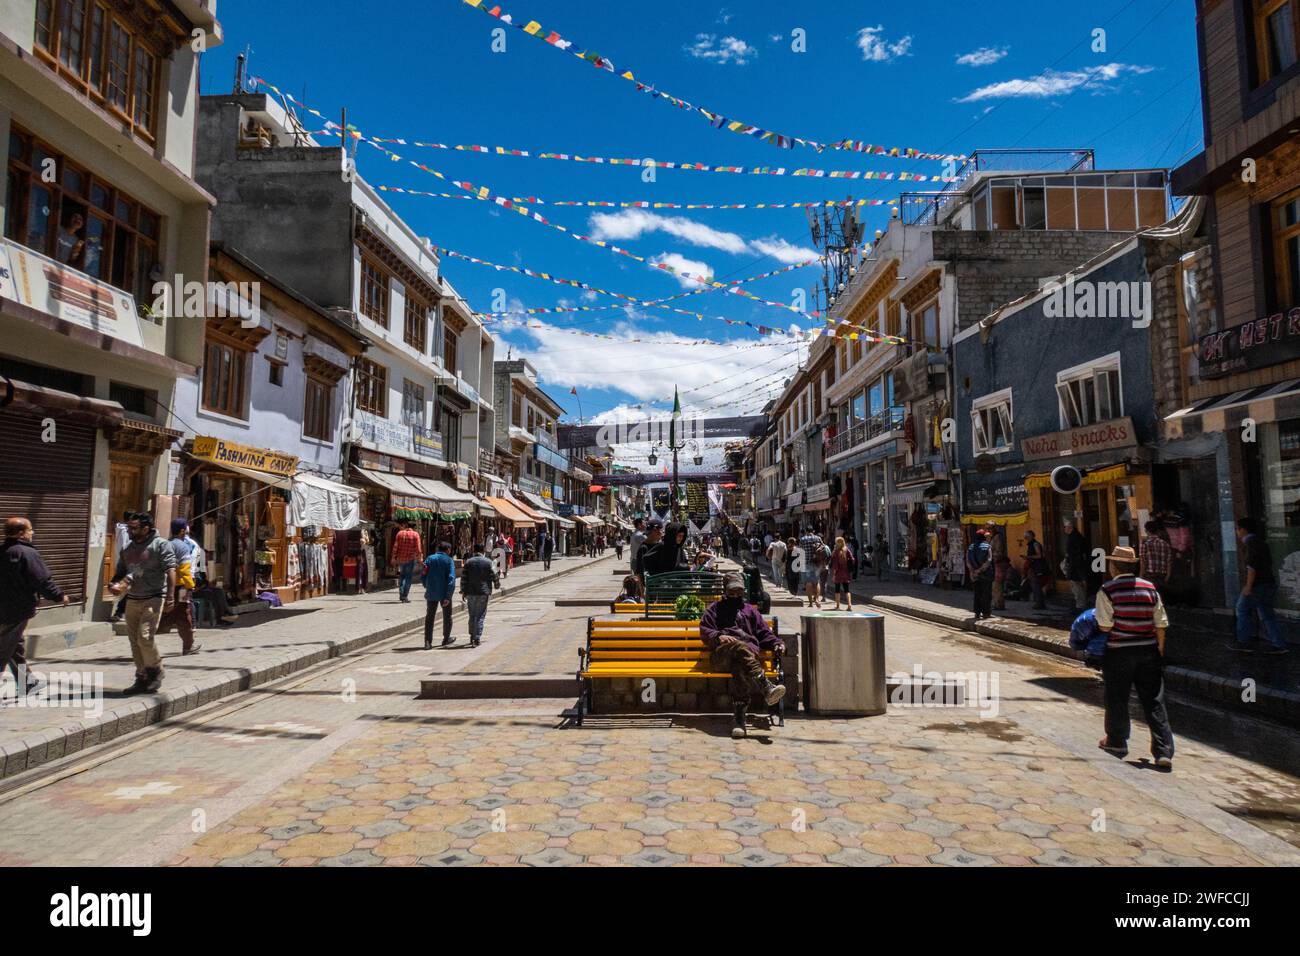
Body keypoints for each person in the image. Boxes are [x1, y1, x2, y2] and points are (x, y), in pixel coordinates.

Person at [1094, 546, 1175, 769]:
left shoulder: (1108, 590)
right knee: (1154, 701)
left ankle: (1117, 741)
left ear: (1113, 566)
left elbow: (1105, 625)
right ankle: (1163, 751)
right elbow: (1161, 624)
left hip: (1119, 652)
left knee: (1117, 697)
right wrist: (1159, 651)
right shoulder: (1150, 588)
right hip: (1148, 651)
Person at [700, 572, 787, 739]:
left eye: (738, 592)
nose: (735, 595)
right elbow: (704, 629)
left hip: (745, 660)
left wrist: (777, 642)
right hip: (721, 656)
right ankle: (765, 685)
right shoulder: (714, 609)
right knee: (738, 646)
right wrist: (718, 636)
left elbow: (763, 633)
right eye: (732, 592)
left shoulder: (750, 611)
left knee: (739, 665)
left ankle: (739, 720)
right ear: (725, 591)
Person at [108, 513, 177, 694]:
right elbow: (120, 573)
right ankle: (142, 676)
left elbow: (171, 569)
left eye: (134, 528)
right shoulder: (128, 549)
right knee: (134, 640)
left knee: (144, 637)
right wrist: (114, 584)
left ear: (146, 529)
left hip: (154, 597)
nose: (130, 531)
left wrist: (170, 595)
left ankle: (156, 671)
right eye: (129, 527)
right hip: (133, 598)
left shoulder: (161, 545)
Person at [0, 517, 68, 698]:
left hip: (5, 608)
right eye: (30, 530)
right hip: (16, 610)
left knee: (14, 646)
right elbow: (41, 580)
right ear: (22, 533)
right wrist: (59, 596)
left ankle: (28, 683)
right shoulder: (27, 553)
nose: (32, 533)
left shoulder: (3, 551)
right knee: (5, 648)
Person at [1230, 516, 1288, 654]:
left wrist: (1248, 586)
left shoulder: (1251, 544)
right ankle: (1279, 644)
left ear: (1243, 529)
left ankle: (1244, 642)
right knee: (1268, 615)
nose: (1237, 532)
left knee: (1242, 609)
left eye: (1237, 529)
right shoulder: (1261, 542)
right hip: (1268, 583)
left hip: (1258, 585)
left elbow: (1252, 567)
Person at [157, 518, 200, 655]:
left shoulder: (166, 544)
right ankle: (188, 646)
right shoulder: (183, 547)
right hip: (181, 587)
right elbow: (184, 570)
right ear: (182, 530)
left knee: (165, 613)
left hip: (165, 586)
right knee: (184, 615)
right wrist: (190, 585)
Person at [460, 543, 498, 648]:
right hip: (483, 592)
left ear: (474, 550)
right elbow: (495, 576)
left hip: (470, 592)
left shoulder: (468, 562)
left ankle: (472, 635)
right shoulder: (490, 562)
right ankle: (477, 637)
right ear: (484, 550)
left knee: (472, 614)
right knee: (480, 615)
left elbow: (464, 578)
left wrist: (463, 591)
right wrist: (497, 585)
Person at [422, 541, 456, 649]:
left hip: (431, 592)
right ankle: (446, 638)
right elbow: (451, 579)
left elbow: (423, 574)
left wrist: (426, 585)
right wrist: (448, 596)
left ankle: (427, 642)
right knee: (447, 616)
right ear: (448, 550)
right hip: (444, 593)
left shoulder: (429, 558)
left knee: (430, 617)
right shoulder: (449, 560)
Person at [391, 519, 423, 604]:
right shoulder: (415, 535)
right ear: (414, 527)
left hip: (401, 559)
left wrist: (393, 558)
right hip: (410, 559)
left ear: (406, 525)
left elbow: (395, 547)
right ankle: (405, 596)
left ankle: (401, 594)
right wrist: (420, 558)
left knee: (402, 576)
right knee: (408, 577)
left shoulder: (400, 533)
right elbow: (418, 549)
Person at [966, 529, 995, 621]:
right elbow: (989, 560)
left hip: (974, 574)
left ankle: (977, 613)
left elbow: (967, 560)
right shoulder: (987, 546)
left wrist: (972, 571)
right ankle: (986, 613)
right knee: (986, 594)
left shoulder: (970, 547)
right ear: (984, 537)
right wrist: (980, 570)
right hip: (985, 574)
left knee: (977, 593)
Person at [1139, 521, 1172, 597]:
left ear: (1146, 531)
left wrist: (1141, 577)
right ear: (1157, 531)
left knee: (1150, 600)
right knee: (1161, 600)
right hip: (1162, 577)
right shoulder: (1165, 544)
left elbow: (1143, 562)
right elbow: (1169, 562)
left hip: (1149, 576)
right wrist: (1167, 577)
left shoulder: (1144, 543)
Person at [1064, 520, 1089, 611]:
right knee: (1076, 585)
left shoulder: (1075, 537)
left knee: (1077, 585)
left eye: (1066, 527)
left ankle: (1080, 605)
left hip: (1076, 565)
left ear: (1070, 528)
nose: (1065, 529)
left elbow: (1077, 552)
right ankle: (1079, 604)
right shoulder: (1074, 537)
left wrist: (1072, 563)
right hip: (1075, 564)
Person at [1022, 530, 1048, 610]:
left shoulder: (1035, 544)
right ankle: (1038, 602)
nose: (1025, 538)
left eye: (1026, 536)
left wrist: (1028, 557)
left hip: (1036, 568)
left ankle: (1040, 603)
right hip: (1032, 567)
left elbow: (1039, 555)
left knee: (1036, 585)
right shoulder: (1031, 544)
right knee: (1034, 585)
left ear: (1030, 536)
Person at [830, 536, 855, 611]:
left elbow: (835, 565)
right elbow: (852, 559)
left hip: (838, 572)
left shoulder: (836, 551)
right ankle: (849, 604)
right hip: (845, 572)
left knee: (837, 590)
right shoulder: (847, 550)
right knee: (847, 589)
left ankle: (838, 606)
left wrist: (834, 574)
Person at [987, 521, 1008, 611]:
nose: (988, 530)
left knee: (997, 585)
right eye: (987, 528)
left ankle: (999, 604)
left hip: (998, 564)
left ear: (994, 528)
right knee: (994, 585)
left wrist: (991, 559)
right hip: (994, 564)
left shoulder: (998, 537)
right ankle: (996, 603)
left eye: (989, 528)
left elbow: (999, 552)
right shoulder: (992, 537)